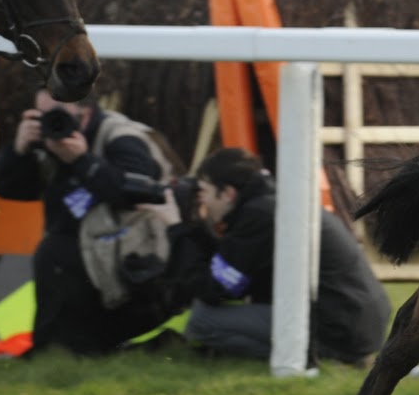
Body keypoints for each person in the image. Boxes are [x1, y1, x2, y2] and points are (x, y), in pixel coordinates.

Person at [141, 147, 392, 366]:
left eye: (204, 191)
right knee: (212, 316)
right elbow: (227, 270)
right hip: (354, 320)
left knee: (203, 321)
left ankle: (315, 356)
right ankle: (327, 353)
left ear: (227, 193)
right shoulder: (271, 205)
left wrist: (177, 228)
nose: (201, 198)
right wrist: (194, 228)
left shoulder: (260, 215)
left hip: (340, 328)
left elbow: (215, 288)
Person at [0, 89, 181, 356]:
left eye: (58, 115)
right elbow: (9, 189)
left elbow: (137, 193)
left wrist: (82, 161)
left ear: (85, 113)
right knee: (54, 254)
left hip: (131, 256)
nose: (51, 122)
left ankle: (73, 348)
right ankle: (54, 350)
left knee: (56, 253)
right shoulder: (46, 142)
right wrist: (18, 150)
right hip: (73, 250)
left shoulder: (122, 136)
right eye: (43, 115)